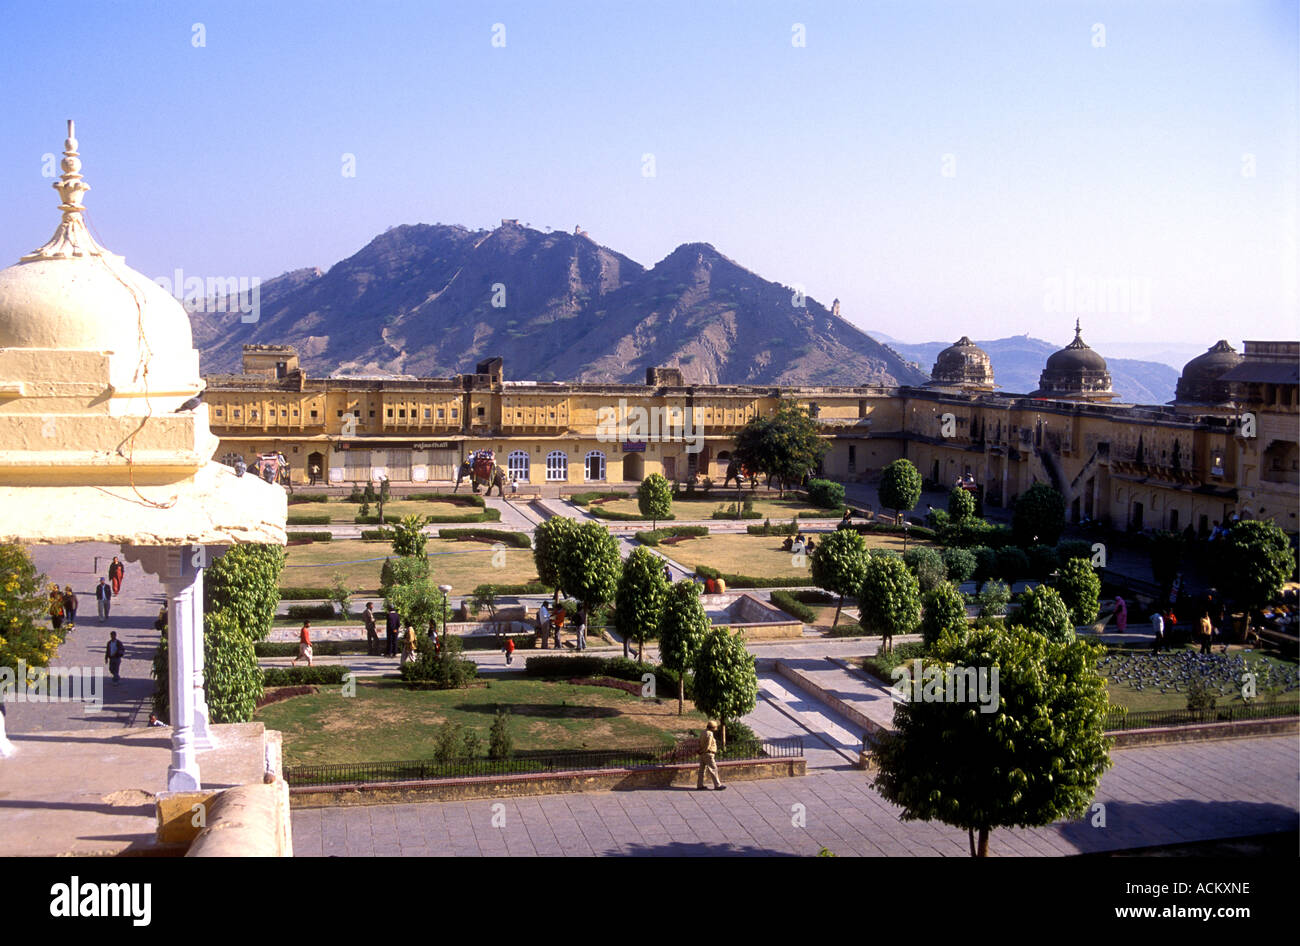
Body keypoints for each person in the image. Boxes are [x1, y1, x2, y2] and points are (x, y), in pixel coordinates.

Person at [696, 721, 725, 791]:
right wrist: (704, 751)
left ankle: (700, 785)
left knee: (702, 770)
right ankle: (717, 785)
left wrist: (700, 751)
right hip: (708, 754)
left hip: (702, 754)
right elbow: (708, 745)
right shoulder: (710, 734)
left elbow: (699, 742)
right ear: (713, 728)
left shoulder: (703, 732)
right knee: (713, 769)